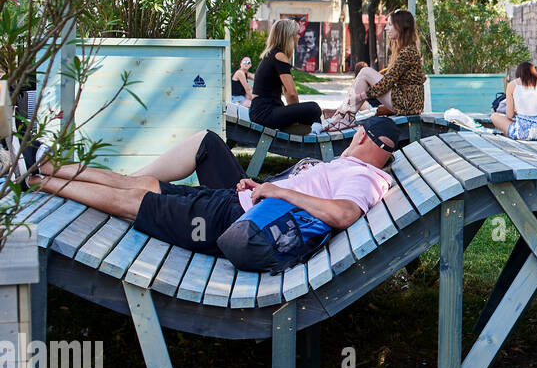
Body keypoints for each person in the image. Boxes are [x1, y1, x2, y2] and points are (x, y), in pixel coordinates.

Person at [24, 117, 400, 258]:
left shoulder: (364, 178)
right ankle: (47, 166)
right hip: (233, 204)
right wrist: (264, 185)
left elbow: (344, 214)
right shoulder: (355, 168)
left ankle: (40, 181)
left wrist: (277, 191)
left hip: (234, 220)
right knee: (140, 184)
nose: (350, 139)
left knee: (132, 201)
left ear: (363, 136)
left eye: (355, 135)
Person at [324, 9, 424, 131]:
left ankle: (344, 117)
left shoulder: (407, 52)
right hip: (408, 102)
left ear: (401, 27)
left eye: (390, 25)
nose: (386, 28)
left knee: (365, 72)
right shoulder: (407, 50)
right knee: (364, 72)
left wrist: (362, 96)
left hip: (407, 104)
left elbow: (386, 83)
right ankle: (343, 116)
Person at [249, 19, 323, 131]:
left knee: (311, 112)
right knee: (314, 108)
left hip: (261, 111)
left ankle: (308, 128)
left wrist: (294, 112)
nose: (299, 37)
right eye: (297, 34)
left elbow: (287, 93)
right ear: (289, 37)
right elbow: (291, 93)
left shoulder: (272, 54)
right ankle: (314, 131)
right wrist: (298, 114)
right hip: (265, 113)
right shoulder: (279, 56)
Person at [490, 61, 537, 140]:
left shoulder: (512, 84)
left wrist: (518, 112)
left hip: (521, 134)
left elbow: (509, 115)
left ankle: (509, 133)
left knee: (494, 116)